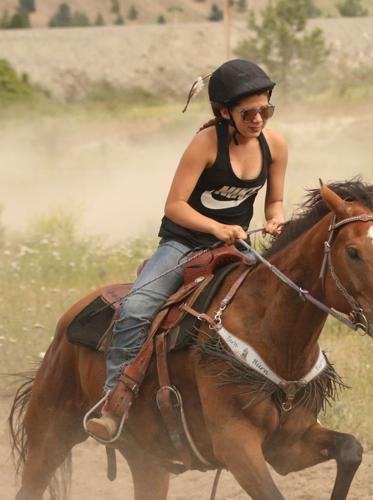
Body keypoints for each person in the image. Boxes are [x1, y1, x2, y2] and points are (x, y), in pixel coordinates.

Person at [87, 59, 288, 441]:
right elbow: (175, 205)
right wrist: (217, 228)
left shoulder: (275, 146)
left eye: (266, 110)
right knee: (136, 309)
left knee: (278, 303)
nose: (259, 119)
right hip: (183, 244)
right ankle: (113, 405)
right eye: (249, 113)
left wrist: (276, 219)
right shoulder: (205, 144)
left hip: (236, 245)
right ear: (224, 111)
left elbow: (274, 202)